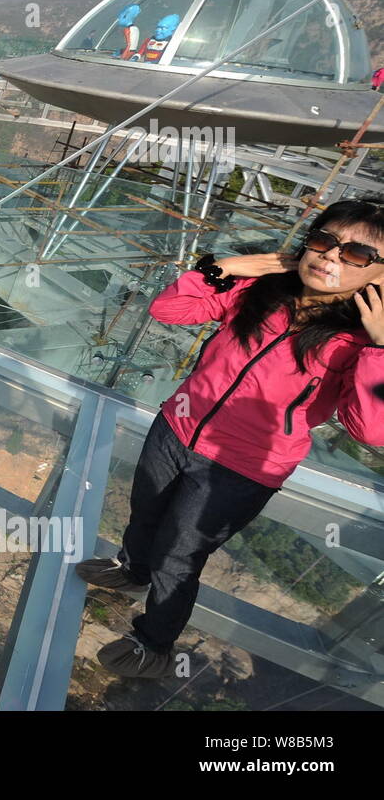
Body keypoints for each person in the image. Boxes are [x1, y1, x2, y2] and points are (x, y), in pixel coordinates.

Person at [77, 196, 384, 678]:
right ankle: (132, 570)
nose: (331, 257)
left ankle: (153, 643)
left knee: (180, 554)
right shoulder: (260, 293)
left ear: (379, 276)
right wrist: (223, 268)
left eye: (357, 256)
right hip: (178, 425)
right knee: (146, 510)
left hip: (243, 468)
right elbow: (169, 309)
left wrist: (382, 346)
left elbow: (371, 428)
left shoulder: (357, 345)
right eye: (326, 241)